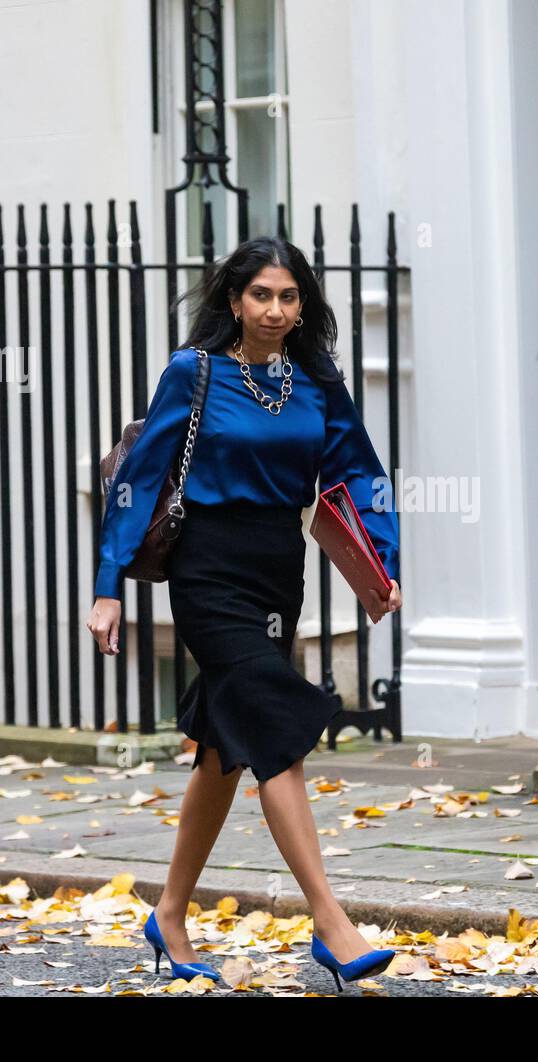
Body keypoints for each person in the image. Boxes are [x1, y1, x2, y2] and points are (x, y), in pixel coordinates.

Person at [85, 237, 401, 990]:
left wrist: (382, 563)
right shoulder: (192, 373)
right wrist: (107, 582)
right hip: (207, 566)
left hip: (276, 569)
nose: (275, 308)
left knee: (227, 745)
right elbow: (140, 478)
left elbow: (360, 472)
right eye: (261, 294)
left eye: (289, 296)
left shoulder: (317, 384)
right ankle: (331, 920)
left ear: (301, 307)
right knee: (270, 719)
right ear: (233, 301)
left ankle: (167, 912)